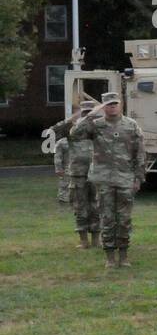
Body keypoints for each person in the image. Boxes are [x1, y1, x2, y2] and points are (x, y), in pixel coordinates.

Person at [68, 92, 147, 269]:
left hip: (125, 178)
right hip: (103, 179)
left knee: (124, 219)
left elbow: (140, 152)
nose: (112, 107)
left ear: (120, 105)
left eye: (115, 103)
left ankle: (124, 255)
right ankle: (110, 257)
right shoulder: (96, 126)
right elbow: (74, 134)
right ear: (103, 106)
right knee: (107, 218)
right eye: (108, 104)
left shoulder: (131, 125)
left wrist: (138, 177)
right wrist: (89, 115)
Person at [46, 100, 101, 248]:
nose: (89, 117)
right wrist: (74, 117)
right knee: (79, 207)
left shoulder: (99, 130)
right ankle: (84, 241)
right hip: (78, 175)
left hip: (97, 175)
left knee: (97, 207)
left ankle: (96, 239)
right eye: (85, 114)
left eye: (91, 114)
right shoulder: (72, 132)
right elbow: (52, 131)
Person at [54, 136, 70, 205]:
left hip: (81, 167)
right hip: (67, 167)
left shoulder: (85, 140)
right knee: (64, 184)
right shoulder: (62, 142)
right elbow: (58, 157)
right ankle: (63, 200)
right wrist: (58, 169)